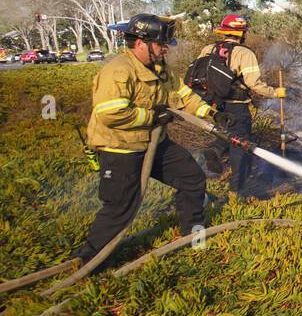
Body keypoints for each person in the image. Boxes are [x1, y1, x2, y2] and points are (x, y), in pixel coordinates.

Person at [73, 14, 217, 264]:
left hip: (154, 143)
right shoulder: (118, 70)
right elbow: (110, 113)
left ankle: (193, 236)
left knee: (192, 178)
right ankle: (90, 260)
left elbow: (182, 95)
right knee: (120, 206)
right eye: (161, 45)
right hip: (121, 147)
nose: (165, 50)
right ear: (141, 43)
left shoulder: (161, 69)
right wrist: (151, 116)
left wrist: (212, 113)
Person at [195, 14, 285, 198]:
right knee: (240, 149)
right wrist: (275, 92)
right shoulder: (244, 53)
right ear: (242, 33)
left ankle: (216, 148)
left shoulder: (208, 49)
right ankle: (237, 192)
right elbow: (254, 84)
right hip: (237, 107)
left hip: (214, 107)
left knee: (226, 135)